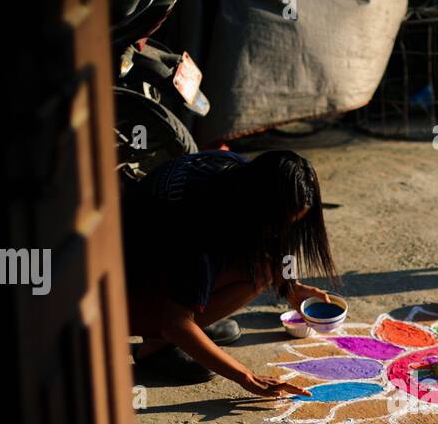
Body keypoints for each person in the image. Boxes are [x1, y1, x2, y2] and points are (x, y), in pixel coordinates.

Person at [122, 149, 340, 395]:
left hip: (141, 258)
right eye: (279, 224)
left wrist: (292, 286)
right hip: (112, 300)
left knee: (264, 262)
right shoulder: (202, 228)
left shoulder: (239, 173)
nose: (282, 233)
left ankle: (195, 312)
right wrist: (246, 377)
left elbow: (274, 242)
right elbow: (176, 323)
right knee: (259, 271)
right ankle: (156, 346)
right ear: (260, 210)